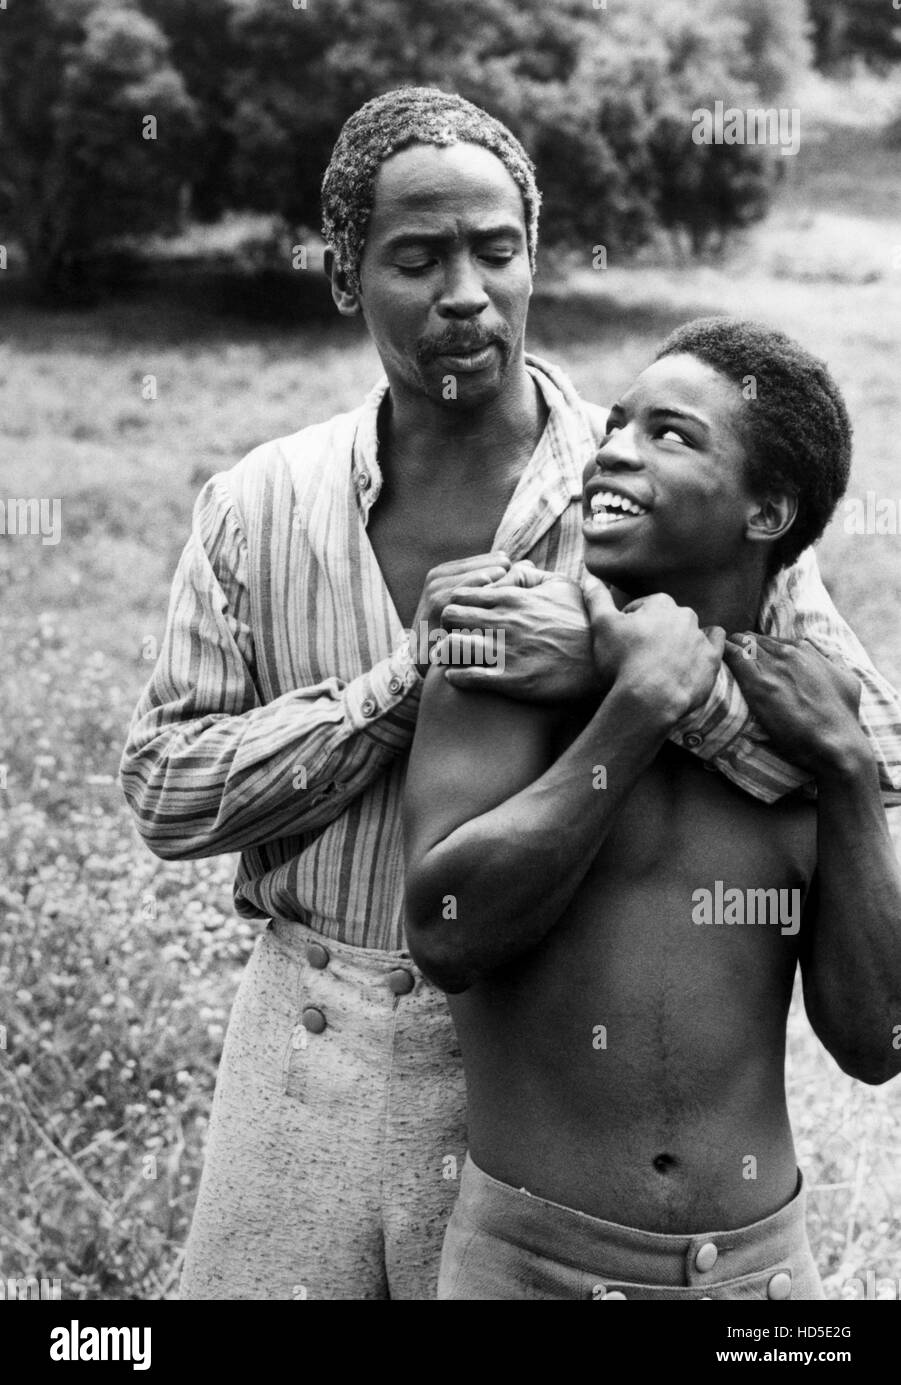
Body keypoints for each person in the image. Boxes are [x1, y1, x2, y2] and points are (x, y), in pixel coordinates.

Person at [120, 87, 901, 1300]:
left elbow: (867, 744)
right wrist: (405, 679)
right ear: (346, 279)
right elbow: (165, 792)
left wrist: (629, 676)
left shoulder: (647, 485)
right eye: (417, 259)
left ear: (535, 253)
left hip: (533, 1086)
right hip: (310, 1036)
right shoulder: (260, 504)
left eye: (497, 250)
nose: (466, 293)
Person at [403, 317, 901, 1301]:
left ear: (765, 513)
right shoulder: (506, 655)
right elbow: (446, 932)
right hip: (532, 1271)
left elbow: (875, 1042)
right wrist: (633, 710)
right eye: (617, 425)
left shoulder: (813, 715)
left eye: (669, 434)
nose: (613, 448)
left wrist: (845, 774)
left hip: (764, 1282)